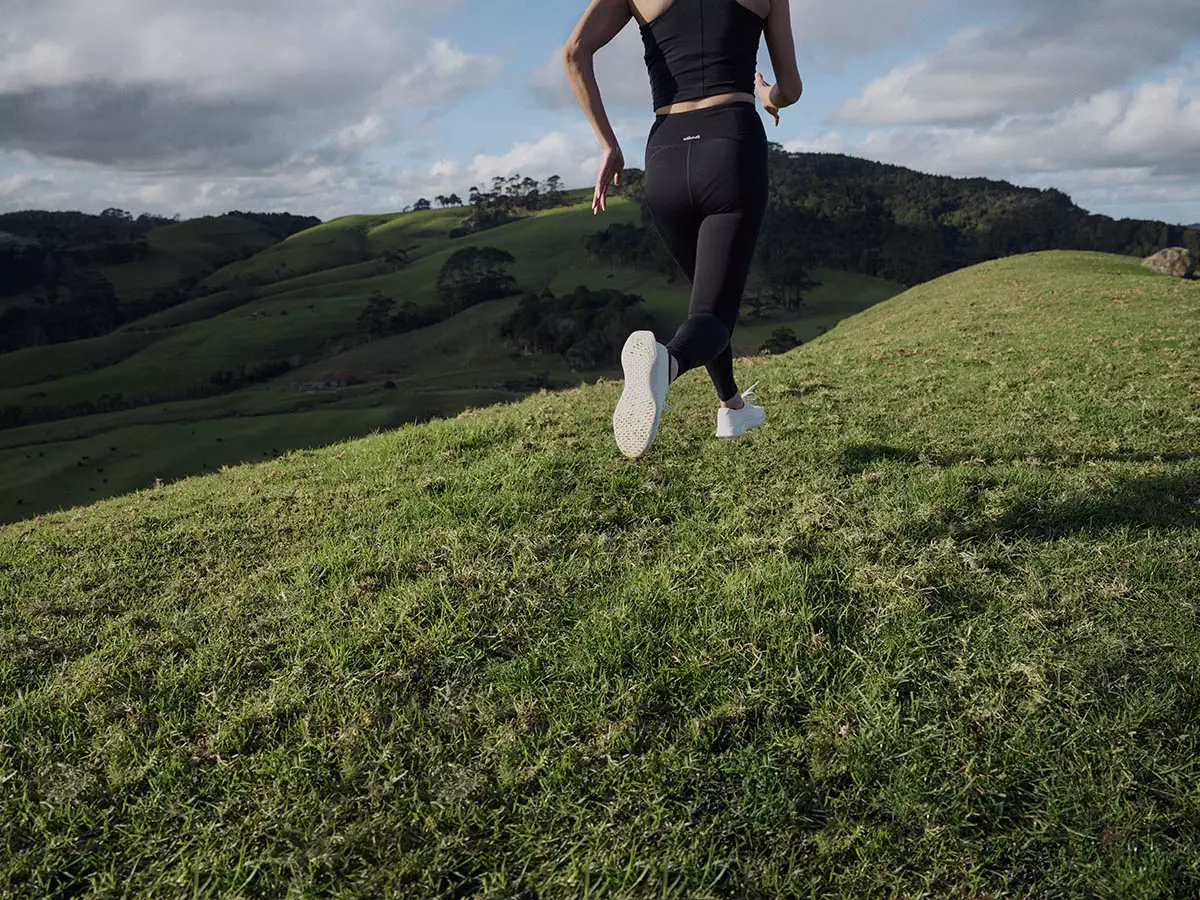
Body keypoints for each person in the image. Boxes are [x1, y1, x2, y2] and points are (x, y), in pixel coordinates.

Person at [563, 0, 803, 458]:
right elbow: (790, 87)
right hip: (730, 144)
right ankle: (667, 363)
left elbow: (574, 52)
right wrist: (768, 96)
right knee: (713, 314)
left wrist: (608, 144)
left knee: (704, 301)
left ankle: (731, 405)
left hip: (666, 154)